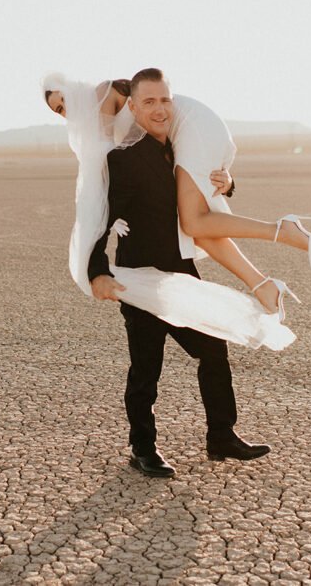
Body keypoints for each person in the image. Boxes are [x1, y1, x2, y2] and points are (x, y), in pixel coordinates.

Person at [84, 68, 273, 477]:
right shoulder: (121, 159)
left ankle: (221, 436)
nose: (159, 109)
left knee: (213, 350)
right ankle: (143, 449)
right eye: (148, 102)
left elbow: (204, 198)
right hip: (140, 279)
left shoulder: (182, 146)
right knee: (146, 370)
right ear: (131, 107)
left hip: (181, 274)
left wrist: (227, 183)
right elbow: (99, 218)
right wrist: (97, 271)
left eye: (165, 100)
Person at [43, 70, 311, 318]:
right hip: (186, 137)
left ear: (75, 88)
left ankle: (282, 229)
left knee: (193, 221)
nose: (65, 111)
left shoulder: (103, 94)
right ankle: (264, 286)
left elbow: (102, 164)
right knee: (195, 228)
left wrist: (107, 212)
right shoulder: (105, 124)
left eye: (64, 101)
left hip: (192, 125)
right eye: (58, 110)